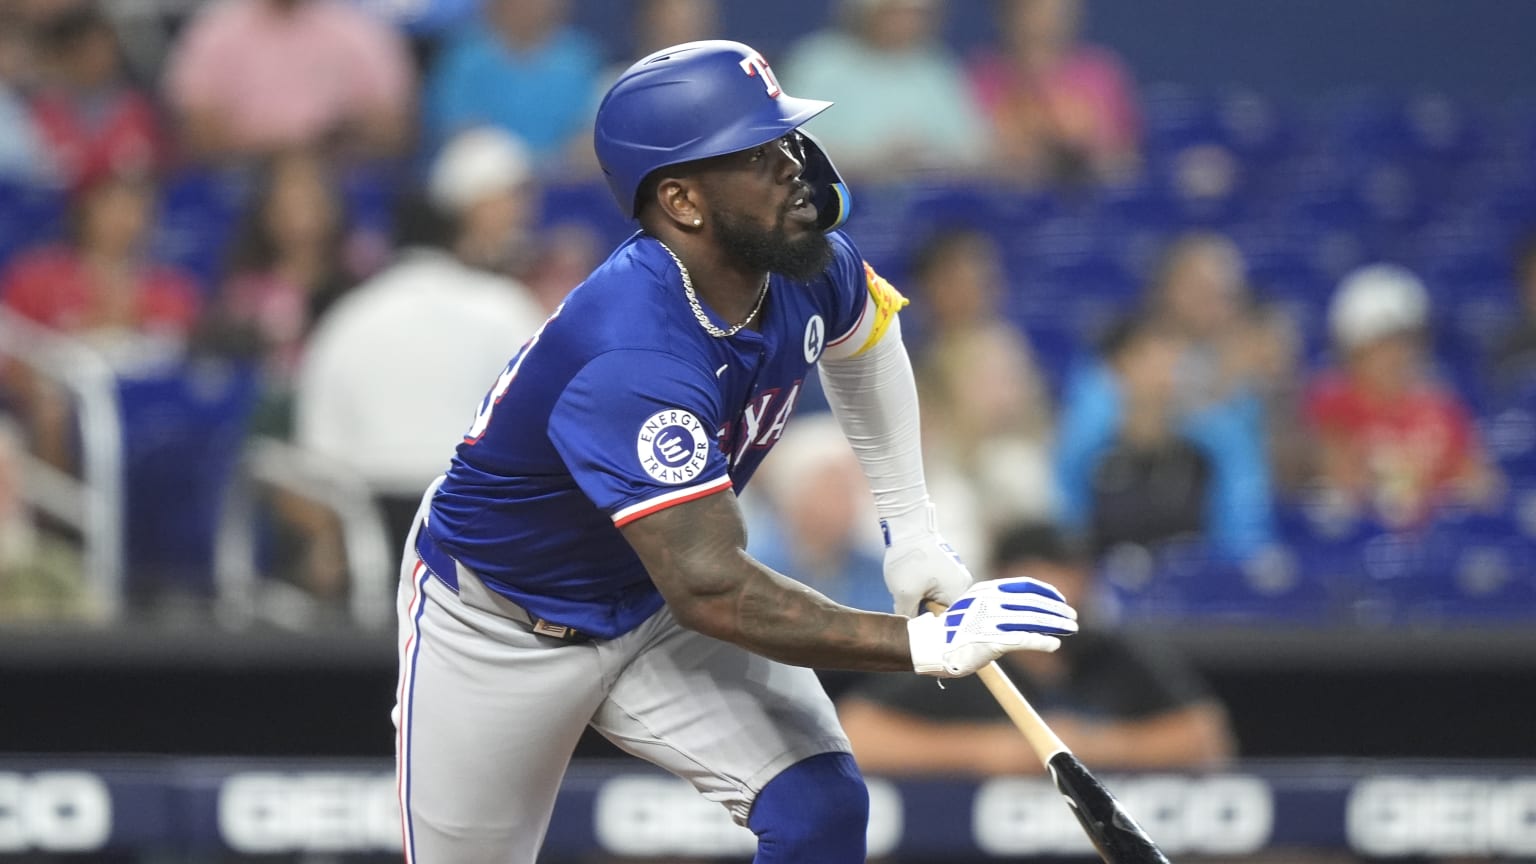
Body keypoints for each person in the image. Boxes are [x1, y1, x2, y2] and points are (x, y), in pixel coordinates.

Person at [392, 40, 1079, 863]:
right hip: (504, 621)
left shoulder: (799, 261)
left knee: (820, 810)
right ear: (682, 200)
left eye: (786, 140)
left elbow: (868, 340)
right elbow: (712, 586)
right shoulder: (630, 355)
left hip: (652, 603)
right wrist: (920, 645)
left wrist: (911, 527)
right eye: (759, 154)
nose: (795, 165)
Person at [296, 127, 547, 570]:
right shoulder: (502, 306)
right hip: (478, 528)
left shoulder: (347, 317)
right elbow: (546, 419)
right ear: (456, 232)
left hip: (370, 533)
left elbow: (318, 453)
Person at [838, 521, 1235, 774]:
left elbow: (1205, 737)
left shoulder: (1111, 649)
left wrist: (1089, 744)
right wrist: (985, 749)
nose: (1058, 588)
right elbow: (858, 735)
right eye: (1035, 574)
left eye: (1069, 572)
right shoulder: (960, 650)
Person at [1305, 263, 1501, 528]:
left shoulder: (1441, 406)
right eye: (1382, 345)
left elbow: (1482, 485)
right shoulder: (1330, 404)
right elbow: (1340, 484)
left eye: (1405, 343)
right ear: (1353, 351)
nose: (1397, 356)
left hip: (1438, 547)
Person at [162, 0, 413, 163]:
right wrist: (283, 150)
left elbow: (392, 129)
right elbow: (197, 130)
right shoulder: (215, 33)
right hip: (242, 177)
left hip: (336, 174)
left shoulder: (359, 32)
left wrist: (342, 132)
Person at [779, 0, 990, 178]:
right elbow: (792, 145)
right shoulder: (819, 62)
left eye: (917, 14)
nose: (908, 23)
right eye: (897, 12)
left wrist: (931, 155)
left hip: (928, 203)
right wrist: (873, 160)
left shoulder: (935, 66)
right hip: (839, 197)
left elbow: (975, 147)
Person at [969, 0, 1141, 186]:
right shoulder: (980, 79)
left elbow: (1126, 158)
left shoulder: (1102, 75)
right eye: (1036, 8)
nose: (1047, 19)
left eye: (1057, 8)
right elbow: (976, 158)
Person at [422, 0, 602, 167]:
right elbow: (457, 128)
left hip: (562, 178)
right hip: (488, 180)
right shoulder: (463, 58)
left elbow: (588, 129)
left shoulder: (579, 58)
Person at [745, 411, 889, 612]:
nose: (849, 502)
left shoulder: (878, 573)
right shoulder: (749, 567)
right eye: (835, 489)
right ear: (793, 493)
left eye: (853, 489)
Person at [28, 4, 167, 190]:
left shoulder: (138, 110)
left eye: (103, 48)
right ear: (64, 55)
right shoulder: (40, 114)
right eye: (85, 51)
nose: (96, 59)